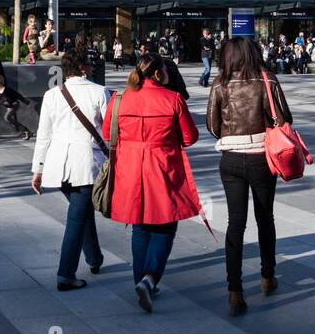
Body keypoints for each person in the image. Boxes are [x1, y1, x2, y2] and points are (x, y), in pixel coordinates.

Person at [102, 54, 202, 314]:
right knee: (165, 226)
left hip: (130, 168)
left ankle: (141, 280)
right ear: (159, 74)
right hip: (162, 168)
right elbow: (190, 138)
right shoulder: (173, 99)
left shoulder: (119, 98)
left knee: (140, 227)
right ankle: (150, 279)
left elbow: (106, 134)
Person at [207, 37, 293, 317]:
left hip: (230, 159)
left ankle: (235, 291)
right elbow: (284, 116)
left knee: (236, 224)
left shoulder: (219, 84)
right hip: (261, 159)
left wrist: (233, 135)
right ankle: (267, 276)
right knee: (264, 218)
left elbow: (212, 125)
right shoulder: (266, 79)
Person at [31, 50, 109, 291]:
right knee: (77, 217)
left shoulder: (52, 94)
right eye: (90, 64)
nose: (92, 67)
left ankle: (94, 258)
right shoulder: (99, 92)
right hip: (86, 163)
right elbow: (109, 131)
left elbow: (44, 135)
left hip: (58, 164)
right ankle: (65, 274)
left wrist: (38, 170)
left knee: (81, 211)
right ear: (84, 68)